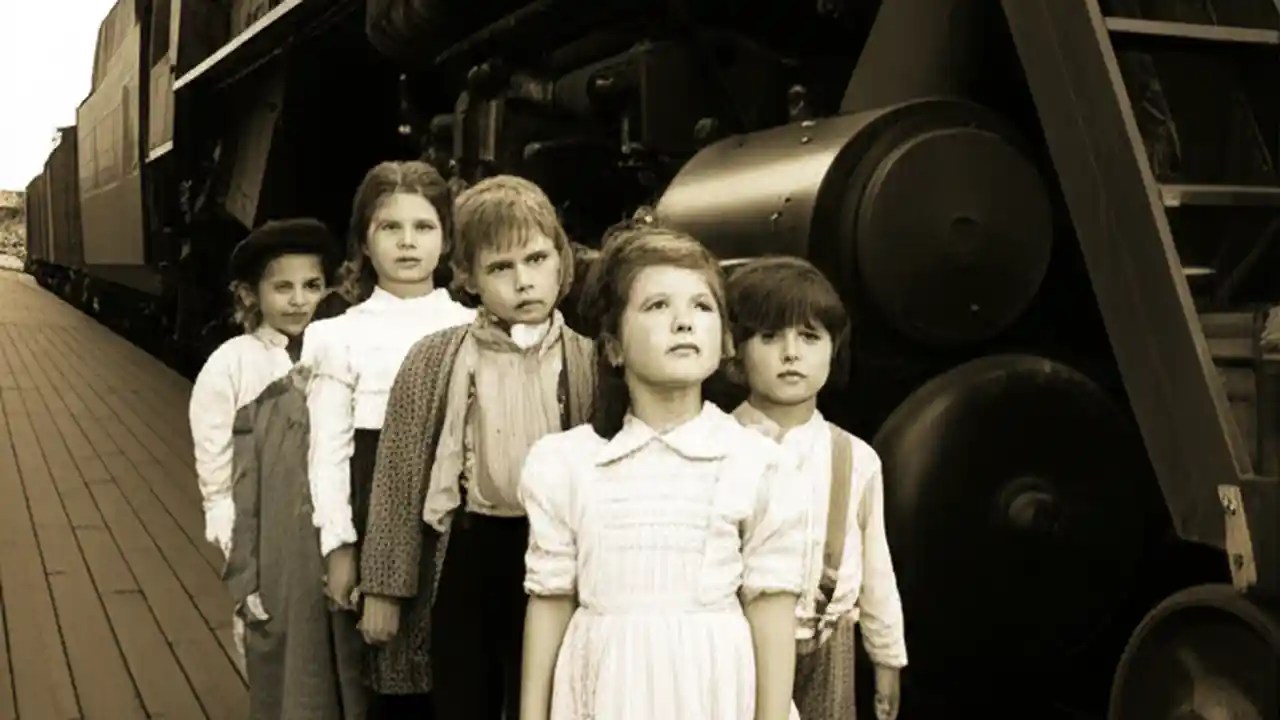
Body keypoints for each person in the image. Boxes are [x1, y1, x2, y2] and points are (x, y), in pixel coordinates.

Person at [517, 221, 805, 720]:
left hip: (711, 691)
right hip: (607, 690)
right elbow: (550, 601)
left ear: (725, 343)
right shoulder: (568, 465)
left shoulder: (756, 463)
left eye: (702, 306)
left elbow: (772, 613)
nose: (684, 322)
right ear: (613, 347)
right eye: (657, 306)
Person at [356, 174, 597, 720]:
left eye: (536, 260)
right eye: (500, 268)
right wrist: (385, 589)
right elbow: (398, 479)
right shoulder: (434, 359)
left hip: (557, 556)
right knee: (463, 690)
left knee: (547, 688)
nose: (524, 282)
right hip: (467, 548)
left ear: (562, 260)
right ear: (467, 278)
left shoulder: (589, 362)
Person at [303, 160, 476, 714]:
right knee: (391, 681)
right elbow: (328, 451)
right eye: (389, 228)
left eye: (423, 227)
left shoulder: (474, 326)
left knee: (459, 676)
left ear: (446, 240)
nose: (408, 243)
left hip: (463, 524)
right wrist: (340, 546)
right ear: (364, 242)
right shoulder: (338, 335)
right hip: (378, 513)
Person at [726, 256, 906, 720]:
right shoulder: (720, 445)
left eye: (809, 337)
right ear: (737, 352)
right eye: (769, 337)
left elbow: (876, 566)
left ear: (833, 348)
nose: (791, 353)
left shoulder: (854, 457)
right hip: (738, 642)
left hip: (829, 643)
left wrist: (887, 657)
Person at [187, 218, 346, 699]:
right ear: (251, 294)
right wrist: (238, 554)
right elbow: (214, 464)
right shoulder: (232, 363)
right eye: (283, 287)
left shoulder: (336, 352)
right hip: (266, 537)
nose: (300, 300)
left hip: (329, 529)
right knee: (271, 648)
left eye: (313, 286)